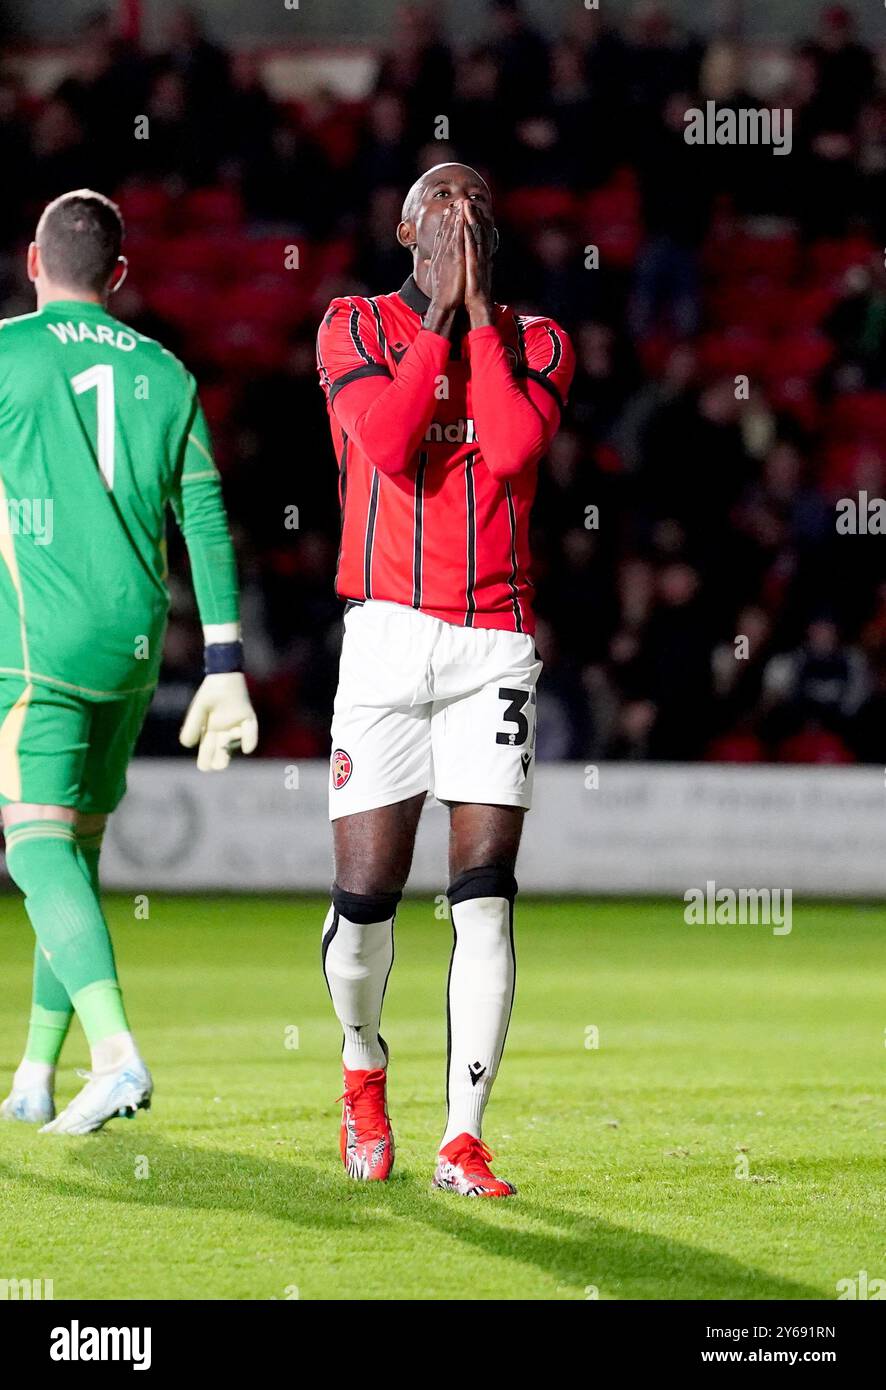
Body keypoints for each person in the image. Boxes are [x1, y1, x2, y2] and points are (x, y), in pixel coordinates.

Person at [316, 163, 574, 1195]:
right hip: (382, 639)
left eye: (475, 210)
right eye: (439, 208)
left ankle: (462, 1138)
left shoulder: (538, 339)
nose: (457, 222)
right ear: (403, 228)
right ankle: (363, 1063)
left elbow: (509, 454)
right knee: (365, 904)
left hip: (493, 643)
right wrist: (438, 315)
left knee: (485, 900)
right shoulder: (352, 324)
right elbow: (383, 444)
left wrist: (471, 318)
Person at [0, 189, 257, 1134]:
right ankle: (34, 1069)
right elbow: (205, 520)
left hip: (37, 639)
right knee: (72, 848)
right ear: (118, 277)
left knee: (31, 846)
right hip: (138, 644)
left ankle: (115, 1057)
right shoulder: (167, 372)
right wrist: (225, 662)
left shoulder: (5, 354)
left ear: (34, 261)